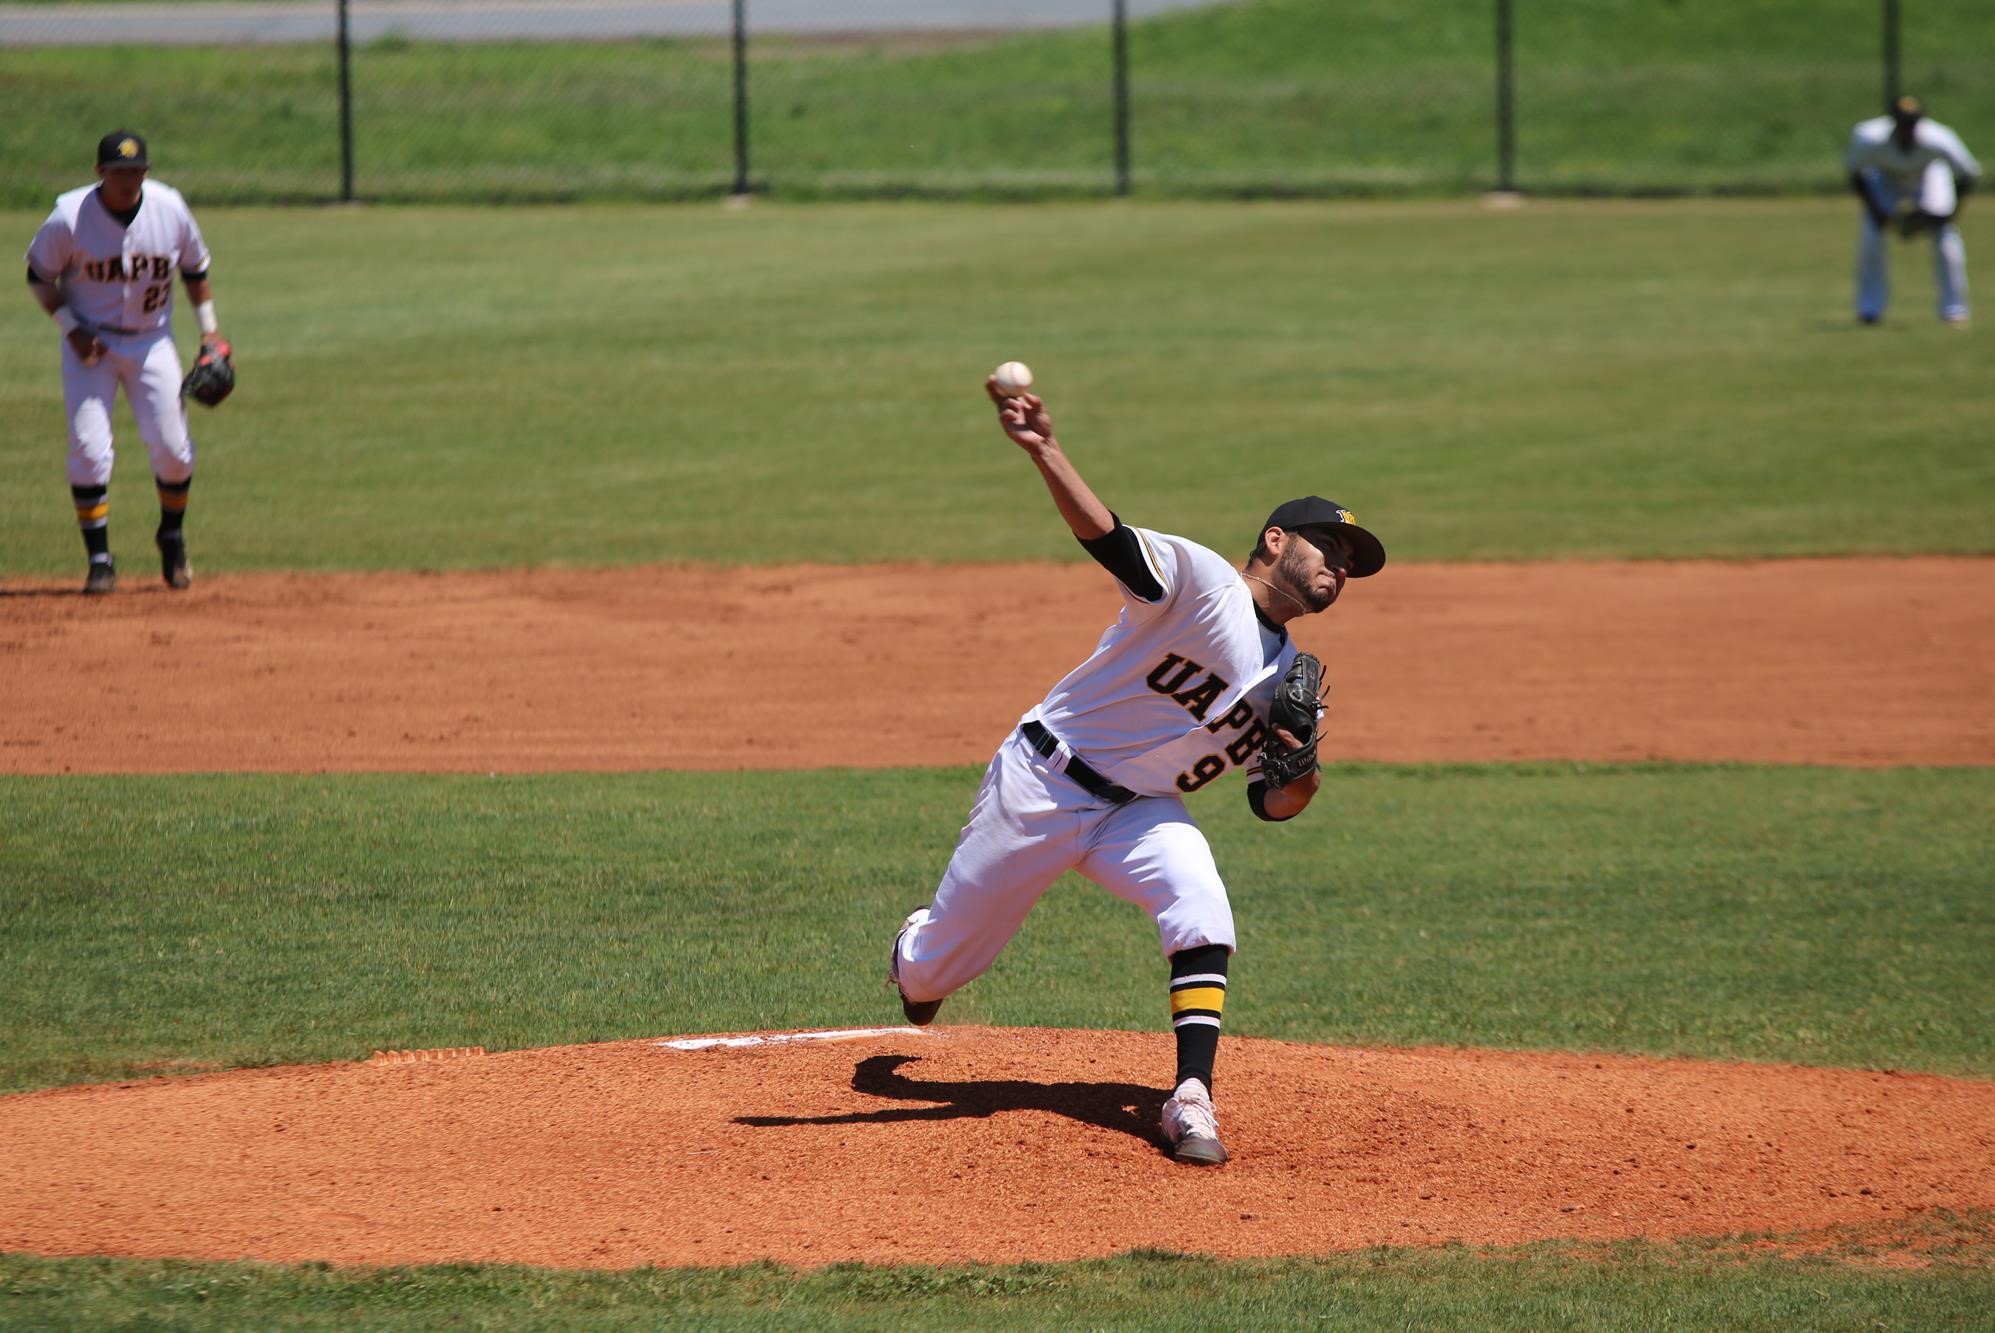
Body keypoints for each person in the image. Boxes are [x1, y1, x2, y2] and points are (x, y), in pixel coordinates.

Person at [887, 373, 1386, 1166]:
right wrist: (1045, 448)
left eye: (1353, 564)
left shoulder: (1293, 677)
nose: (1341, 566)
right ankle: (915, 945)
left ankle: (1190, 1097)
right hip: (1041, 782)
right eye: (1330, 546)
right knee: (931, 978)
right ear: (1274, 541)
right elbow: (1107, 536)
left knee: (1201, 902)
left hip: (1138, 810)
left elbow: (1274, 804)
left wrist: (1303, 759)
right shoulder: (1197, 582)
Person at [24, 130, 226, 594]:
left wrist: (209, 330)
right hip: (89, 346)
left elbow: (195, 268)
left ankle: (171, 537)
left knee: (175, 452)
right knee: (90, 450)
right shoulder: (70, 216)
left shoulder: (169, 207)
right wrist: (70, 327)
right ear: (100, 173)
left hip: (153, 343)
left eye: (137, 170)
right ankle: (99, 560)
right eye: (119, 171)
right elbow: (38, 276)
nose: (129, 179)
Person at [1846, 95, 1981, 327]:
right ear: (1893, 122)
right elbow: (1855, 173)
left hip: (1928, 178)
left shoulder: (1939, 138)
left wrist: (1948, 216)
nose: (1908, 128)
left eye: (1912, 123)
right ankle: (1870, 309)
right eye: (1902, 123)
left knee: (1946, 240)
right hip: (1885, 180)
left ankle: (1954, 309)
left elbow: (1968, 175)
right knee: (1871, 237)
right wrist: (1877, 211)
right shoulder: (1869, 137)